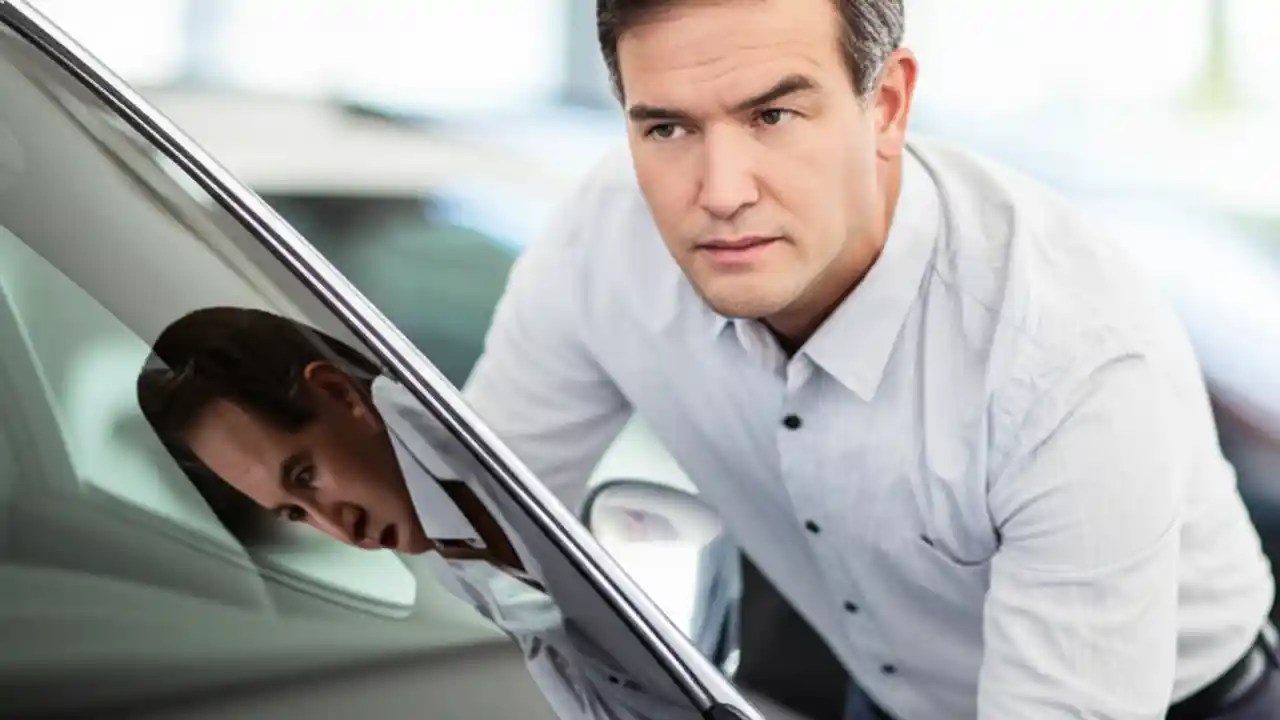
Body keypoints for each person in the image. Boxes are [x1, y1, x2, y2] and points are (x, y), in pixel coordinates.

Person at [460, 0, 1279, 717]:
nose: (721, 191)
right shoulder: (604, 239)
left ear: (886, 105)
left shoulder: (1061, 351)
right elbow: (469, 522)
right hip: (883, 693)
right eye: (668, 128)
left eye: (773, 116)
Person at [136, 306, 690, 720]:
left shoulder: (518, 455)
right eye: (297, 515)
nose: (341, 528)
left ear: (341, 395)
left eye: (306, 476)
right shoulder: (456, 563)